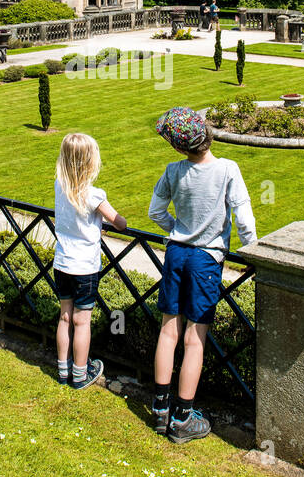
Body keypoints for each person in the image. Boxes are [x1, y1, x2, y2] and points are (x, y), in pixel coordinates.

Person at [148, 107, 256, 442]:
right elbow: (244, 220)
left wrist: (177, 230)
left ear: (179, 147)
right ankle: (183, 418)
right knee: (195, 339)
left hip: (176, 254)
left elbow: (155, 212)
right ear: (206, 133)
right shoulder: (227, 170)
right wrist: (254, 252)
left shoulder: (174, 171)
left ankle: (160, 409)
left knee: (168, 332)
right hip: (206, 260)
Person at [53, 133, 127, 390]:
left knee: (65, 317)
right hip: (84, 266)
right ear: (90, 162)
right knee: (82, 320)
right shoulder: (93, 195)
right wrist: (106, 222)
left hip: (62, 262)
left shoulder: (59, 186)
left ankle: (63, 370)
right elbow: (120, 222)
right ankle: (80, 373)